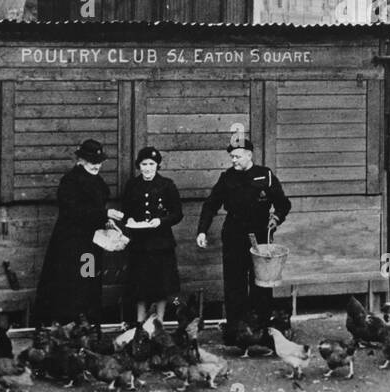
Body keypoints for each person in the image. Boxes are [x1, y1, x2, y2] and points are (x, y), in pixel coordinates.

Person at [196, 138, 291, 330]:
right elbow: (211, 205)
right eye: (231, 156)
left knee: (261, 283)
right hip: (233, 236)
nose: (233, 160)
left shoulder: (265, 176)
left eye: (237, 156)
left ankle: (262, 329)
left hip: (261, 237)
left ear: (249, 155)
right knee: (234, 284)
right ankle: (236, 330)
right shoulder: (227, 178)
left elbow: (283, 204)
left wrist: (277, 218)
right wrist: (202, 231)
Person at [35, 139, 122, 326]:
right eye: (92, 162)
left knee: (88, 278)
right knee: (69, 281)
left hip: (90, 245)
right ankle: (68, 323)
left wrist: (107, 222)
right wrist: (104, 213)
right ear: (81, 160)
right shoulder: (70, 181)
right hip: (70, 244)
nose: (96, 166)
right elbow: (73, 212)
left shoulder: (98, 183)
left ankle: (87, 320)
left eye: (99, 162)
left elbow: (95, 211)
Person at [120, 146, 183, 323]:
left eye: (151, 164)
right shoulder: (132, 185)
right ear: (138, 166)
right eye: (144, 164)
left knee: (162, 286)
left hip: (161, 244)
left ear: (157, 165)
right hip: (139, 245)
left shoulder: (167, 185)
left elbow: (177, 213)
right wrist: (130, 221)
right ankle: (140, 323)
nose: (148, 168)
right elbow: (125, 211)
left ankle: (159, 322)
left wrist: (161, 221)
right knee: (140, 286)